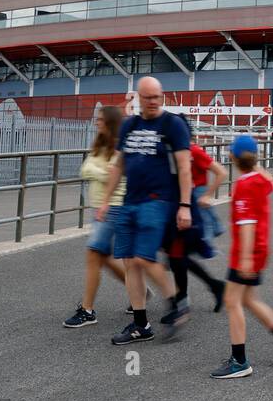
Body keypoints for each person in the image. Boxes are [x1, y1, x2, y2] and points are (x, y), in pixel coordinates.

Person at [96, 76, 193, 343]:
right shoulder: (131, 125)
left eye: (157, 97)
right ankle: (141, 324)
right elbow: (119, 165)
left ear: (162, 96)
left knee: (143, 257)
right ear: (138, 98)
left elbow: (185, 167)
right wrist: (106, 200)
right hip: (129, 201)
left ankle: (176, 303)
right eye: (147, 97)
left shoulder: (173, 124)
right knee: (130, 263)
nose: (152, 102)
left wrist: (185, 205)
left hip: (157, 200)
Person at [211, 133, 273, 380]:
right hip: (260, 249)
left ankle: (239, 361)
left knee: (232, 302)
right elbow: (270, 180)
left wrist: (245, 261)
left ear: (231, 157)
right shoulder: (261, 179)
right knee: (249, 300)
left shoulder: (243, 185)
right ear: (256, 158)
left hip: (246, 252)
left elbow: (248, 224)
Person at [63, 107, 130, 327]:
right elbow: (85, 170)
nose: (96, 123)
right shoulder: (100, 144)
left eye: (100, 120)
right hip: (99, 207)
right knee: (104, 258)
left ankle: (87, 309)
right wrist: (103, 173)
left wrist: (100, 172)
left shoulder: (120, 146)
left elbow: (116, 176)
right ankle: (139, 291)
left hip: (113, 206)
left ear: (110, 122)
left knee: (94, 254)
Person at [163, 135, 227, 327]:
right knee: (178, 257)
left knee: (178, 256)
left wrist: (207, 195)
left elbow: (221, 172)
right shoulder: (175, 152)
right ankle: (212, 287)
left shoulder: (194, 151)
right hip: (182, 203)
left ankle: (181, 303)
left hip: (193, 205)